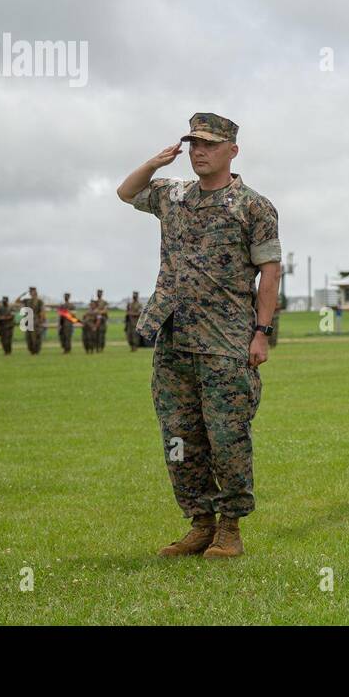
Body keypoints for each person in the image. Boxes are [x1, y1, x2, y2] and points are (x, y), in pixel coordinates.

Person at [118, 111, 280, 559]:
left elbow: (270, 273)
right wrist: (154, 162)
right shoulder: (173, 197)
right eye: (192, 143)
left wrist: (261, 333)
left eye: (208, 144)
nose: (198, 152)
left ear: (232, 150)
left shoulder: (253, 206)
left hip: (226, 342)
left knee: (227, 436)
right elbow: (125, 192)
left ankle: (230, 527)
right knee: (179, 438)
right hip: (173, 341)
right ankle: (200, 523)